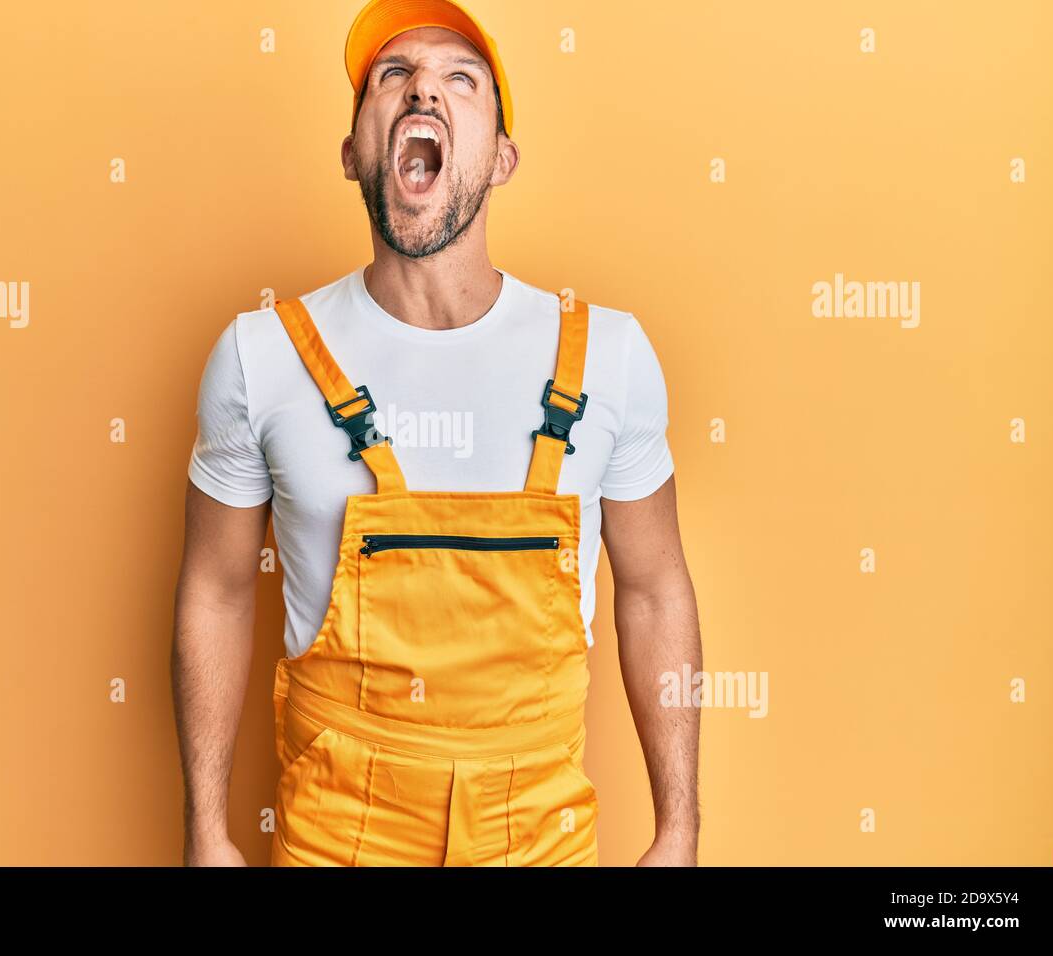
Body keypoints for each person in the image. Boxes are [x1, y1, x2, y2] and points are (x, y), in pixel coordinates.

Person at [172, 0, 701, 867]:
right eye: (392, 76)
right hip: (334, 838)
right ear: (354, 154)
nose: (422, 88)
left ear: (500, 158)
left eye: (460, 78)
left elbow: (656, 589)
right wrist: (206, 832)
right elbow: (217, 591)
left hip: (542, 838)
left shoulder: (609, 356)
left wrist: (677, 828)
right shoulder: (260, 357)